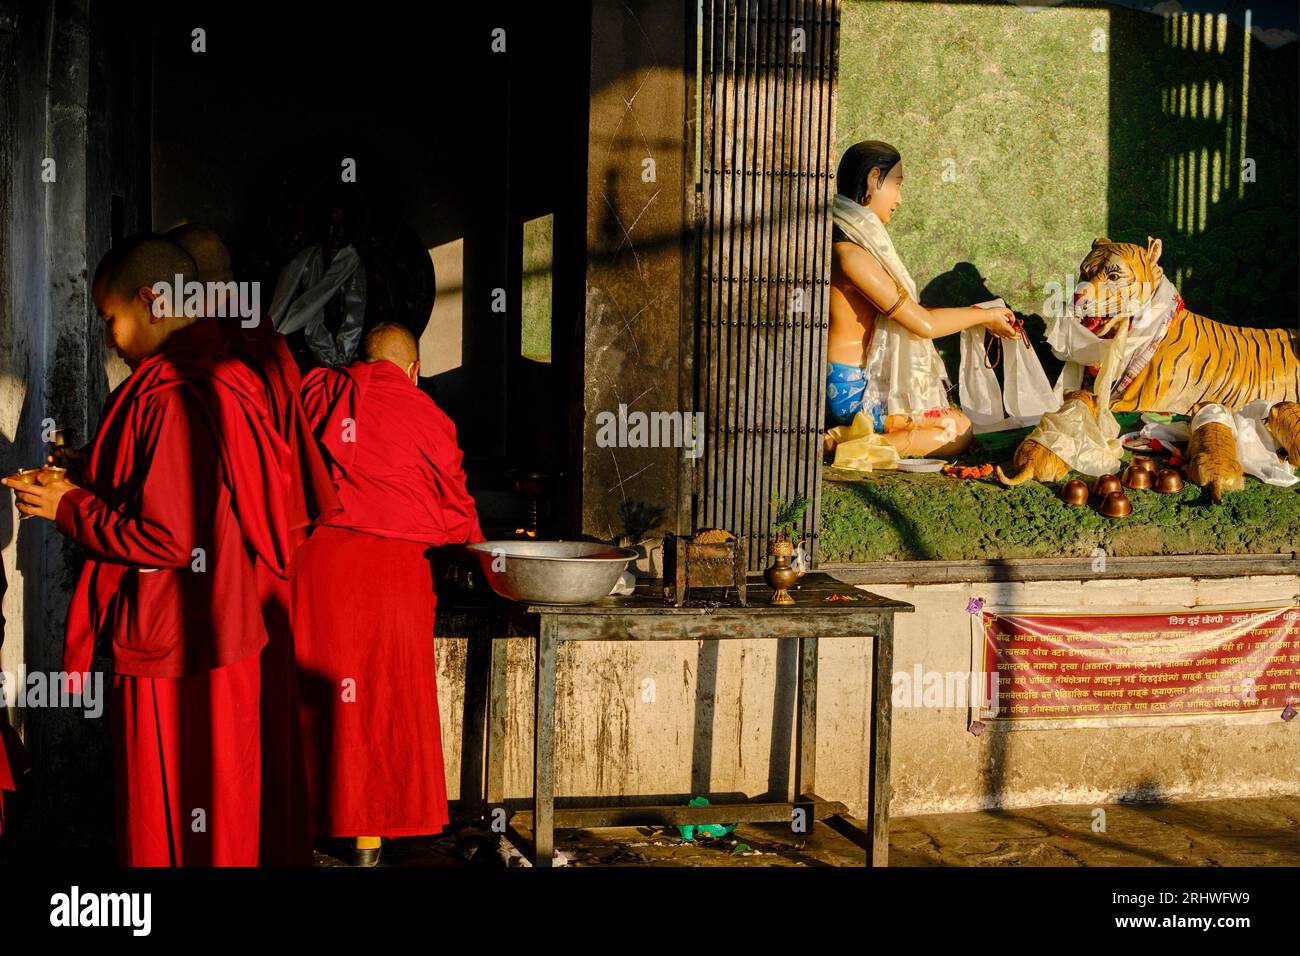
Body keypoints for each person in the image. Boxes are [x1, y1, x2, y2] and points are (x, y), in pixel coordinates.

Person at [4, 235, 293, 865]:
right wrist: (88, 473)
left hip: (169, 639)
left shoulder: (170, 394)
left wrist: (67, 506)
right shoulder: (225, 371)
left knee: (163, 817)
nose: (109, 336)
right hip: (225, 628)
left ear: (152, 300)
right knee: (221, 808)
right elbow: (174, 489)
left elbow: (167, 535)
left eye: (112, 319)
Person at [167, 223, 341, 866]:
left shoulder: (222, 352)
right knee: (257, 723)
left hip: (225, 564)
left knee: (220, 724)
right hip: (267, 560)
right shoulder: (264, 343)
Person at [294, 322, 481, 866]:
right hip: (395, 579)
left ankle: (304, 824)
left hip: (319, 568)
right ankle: (367, 840)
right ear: (414, 370)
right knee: (384, 702)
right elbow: (454, 503)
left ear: (358, 359)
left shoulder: (317, 392)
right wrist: (476, 551)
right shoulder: (429, 415)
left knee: (318, 700)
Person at [827, 141, 1020, 458]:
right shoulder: (850, 255)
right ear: (875, 177)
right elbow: (924, 325)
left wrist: (982, 314)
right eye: (897, 184)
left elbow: (914, 315)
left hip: (861, 379)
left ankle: (851, 440)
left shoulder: (856, 246)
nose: (899, 199)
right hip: (852, 392)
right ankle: (846, 446)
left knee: (955, 422)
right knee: (955, 430)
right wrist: (984, 316)